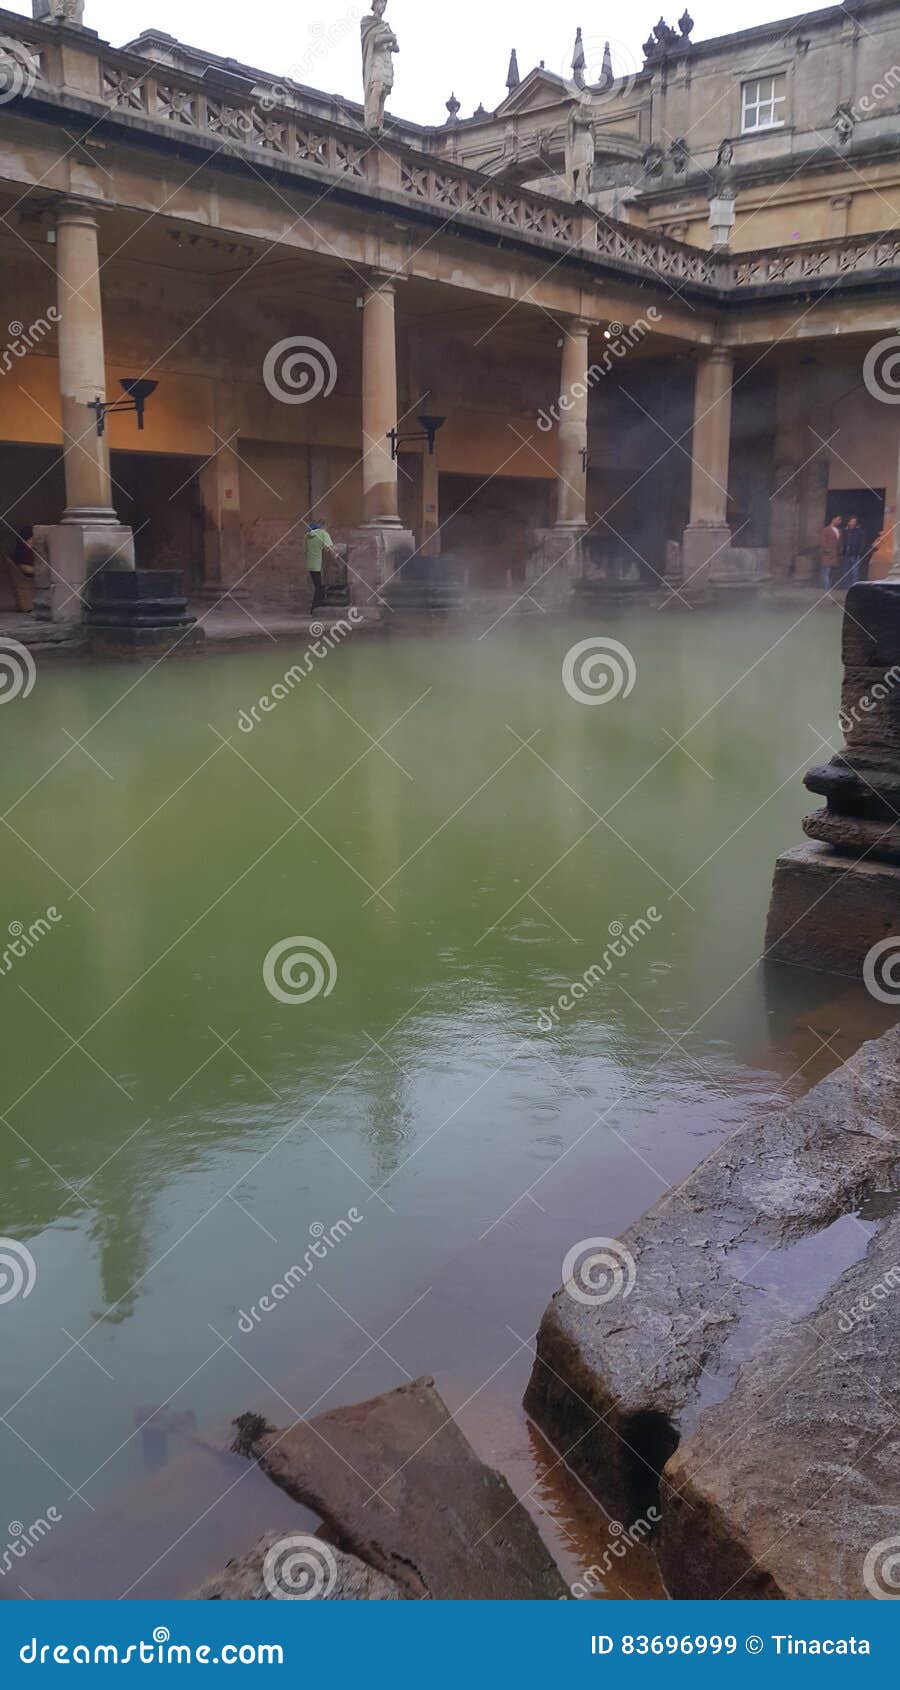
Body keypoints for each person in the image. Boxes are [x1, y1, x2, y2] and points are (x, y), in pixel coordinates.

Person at [304, 520, 335, 613]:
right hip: (321, 565)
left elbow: (305, 551)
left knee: (317, 586)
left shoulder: (306, 536)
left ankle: (316, 607)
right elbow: (328, 548)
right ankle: (316, 608)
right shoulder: (323, 534)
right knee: (321, 587)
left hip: (311, 565)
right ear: (324, 526)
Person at [6, 525, 36, 612]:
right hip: (29, 577)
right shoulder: (22, 551)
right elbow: (24, 568)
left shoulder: (28, 549)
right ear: (30, 538)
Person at [841, 515, 866, 588]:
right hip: (846, 554)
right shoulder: (844, 531)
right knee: (845, 572)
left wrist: (859, 552)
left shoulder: (860, 532)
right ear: (848, 522)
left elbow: (862, 543)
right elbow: (842, 541)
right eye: (851, 521)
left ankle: (854, 588)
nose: (853, 523)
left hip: (855, 554)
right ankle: (845, 587)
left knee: (855, 572)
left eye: (854, 522)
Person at [820, 514, 842, 591]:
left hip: (835, 556)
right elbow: (823, 542)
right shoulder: (826, 530)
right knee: (826, 572)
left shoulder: (838, 530)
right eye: (838, 519)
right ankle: (826, 589)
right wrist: (827, 550)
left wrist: (840, 551)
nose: (840, 521)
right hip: (827, 555)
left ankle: (830, 587)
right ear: (833, 519)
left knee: (831, 573)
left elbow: (839, 543)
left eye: (840, 520)